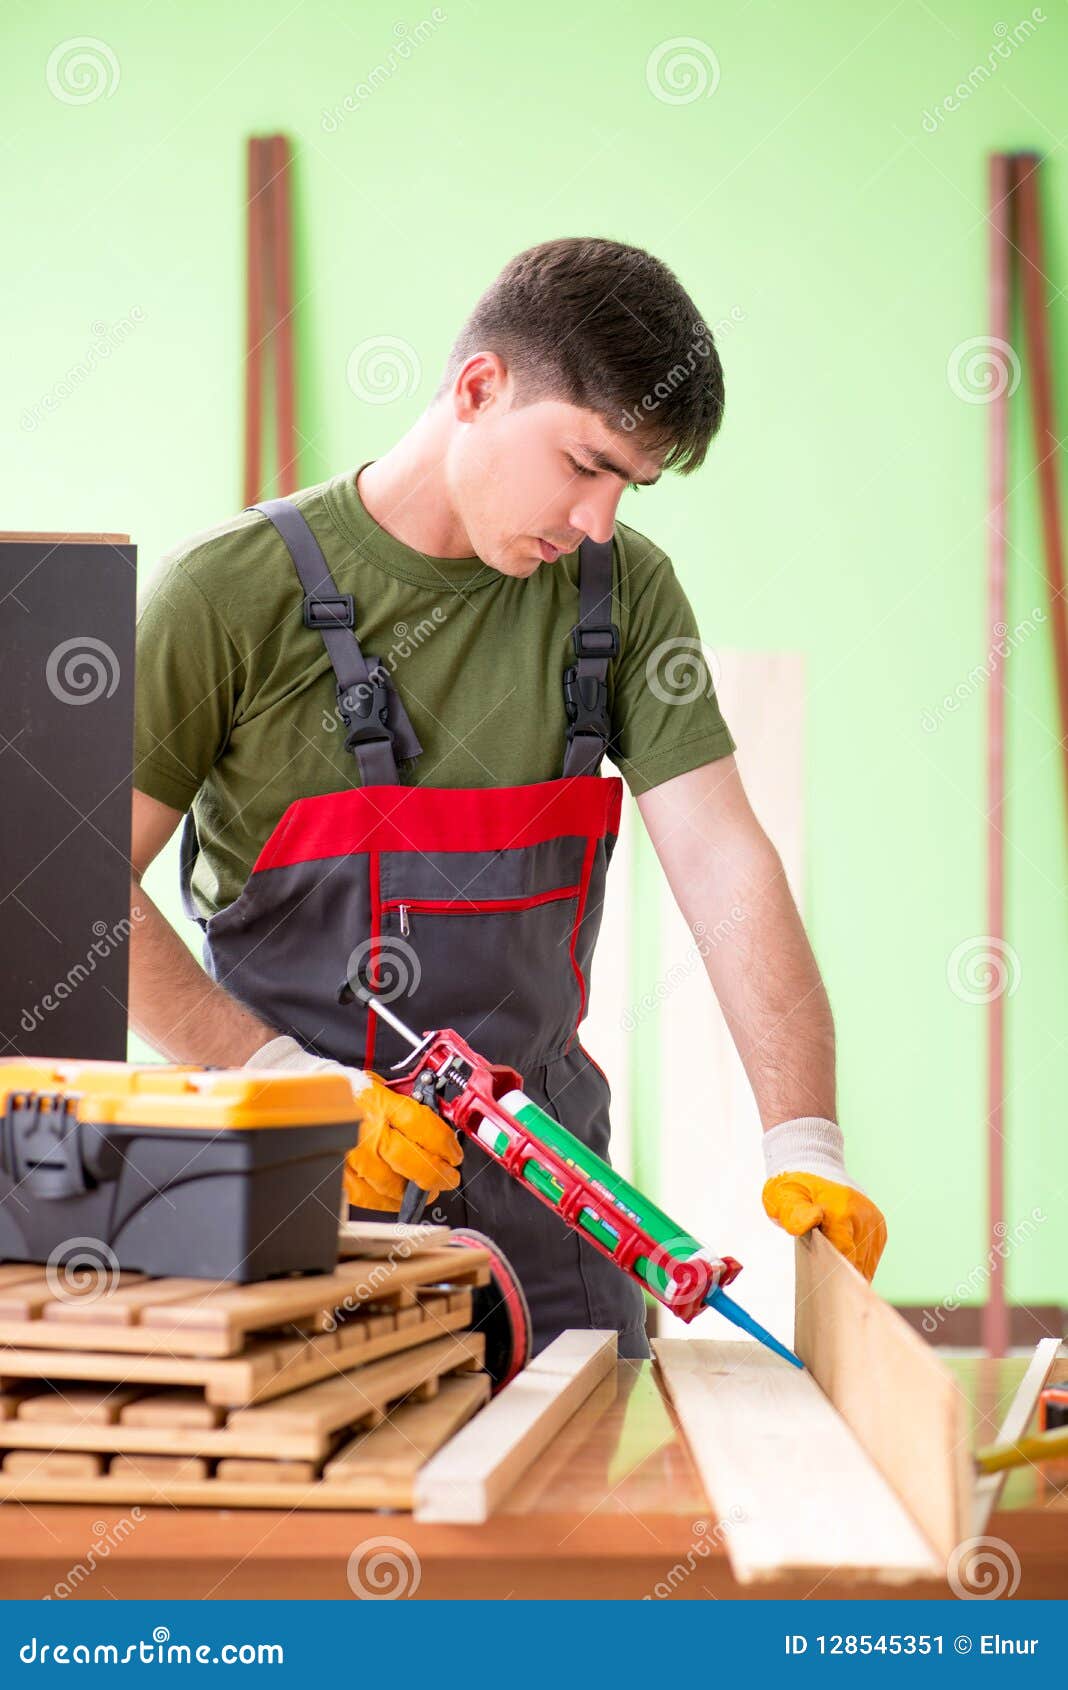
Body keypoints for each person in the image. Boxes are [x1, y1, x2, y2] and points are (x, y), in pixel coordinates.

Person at [130, 236, 886, 1359]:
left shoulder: (622, 595)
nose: (599, 520)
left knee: (587, 1473)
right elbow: (64, 893)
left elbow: (724, 861)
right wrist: (279, 1080)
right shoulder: (227, 595)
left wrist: (805, 1139)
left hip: (554, 1226)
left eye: (629, 486)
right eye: (584, 464)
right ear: (479, 388)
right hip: (292, 1212)